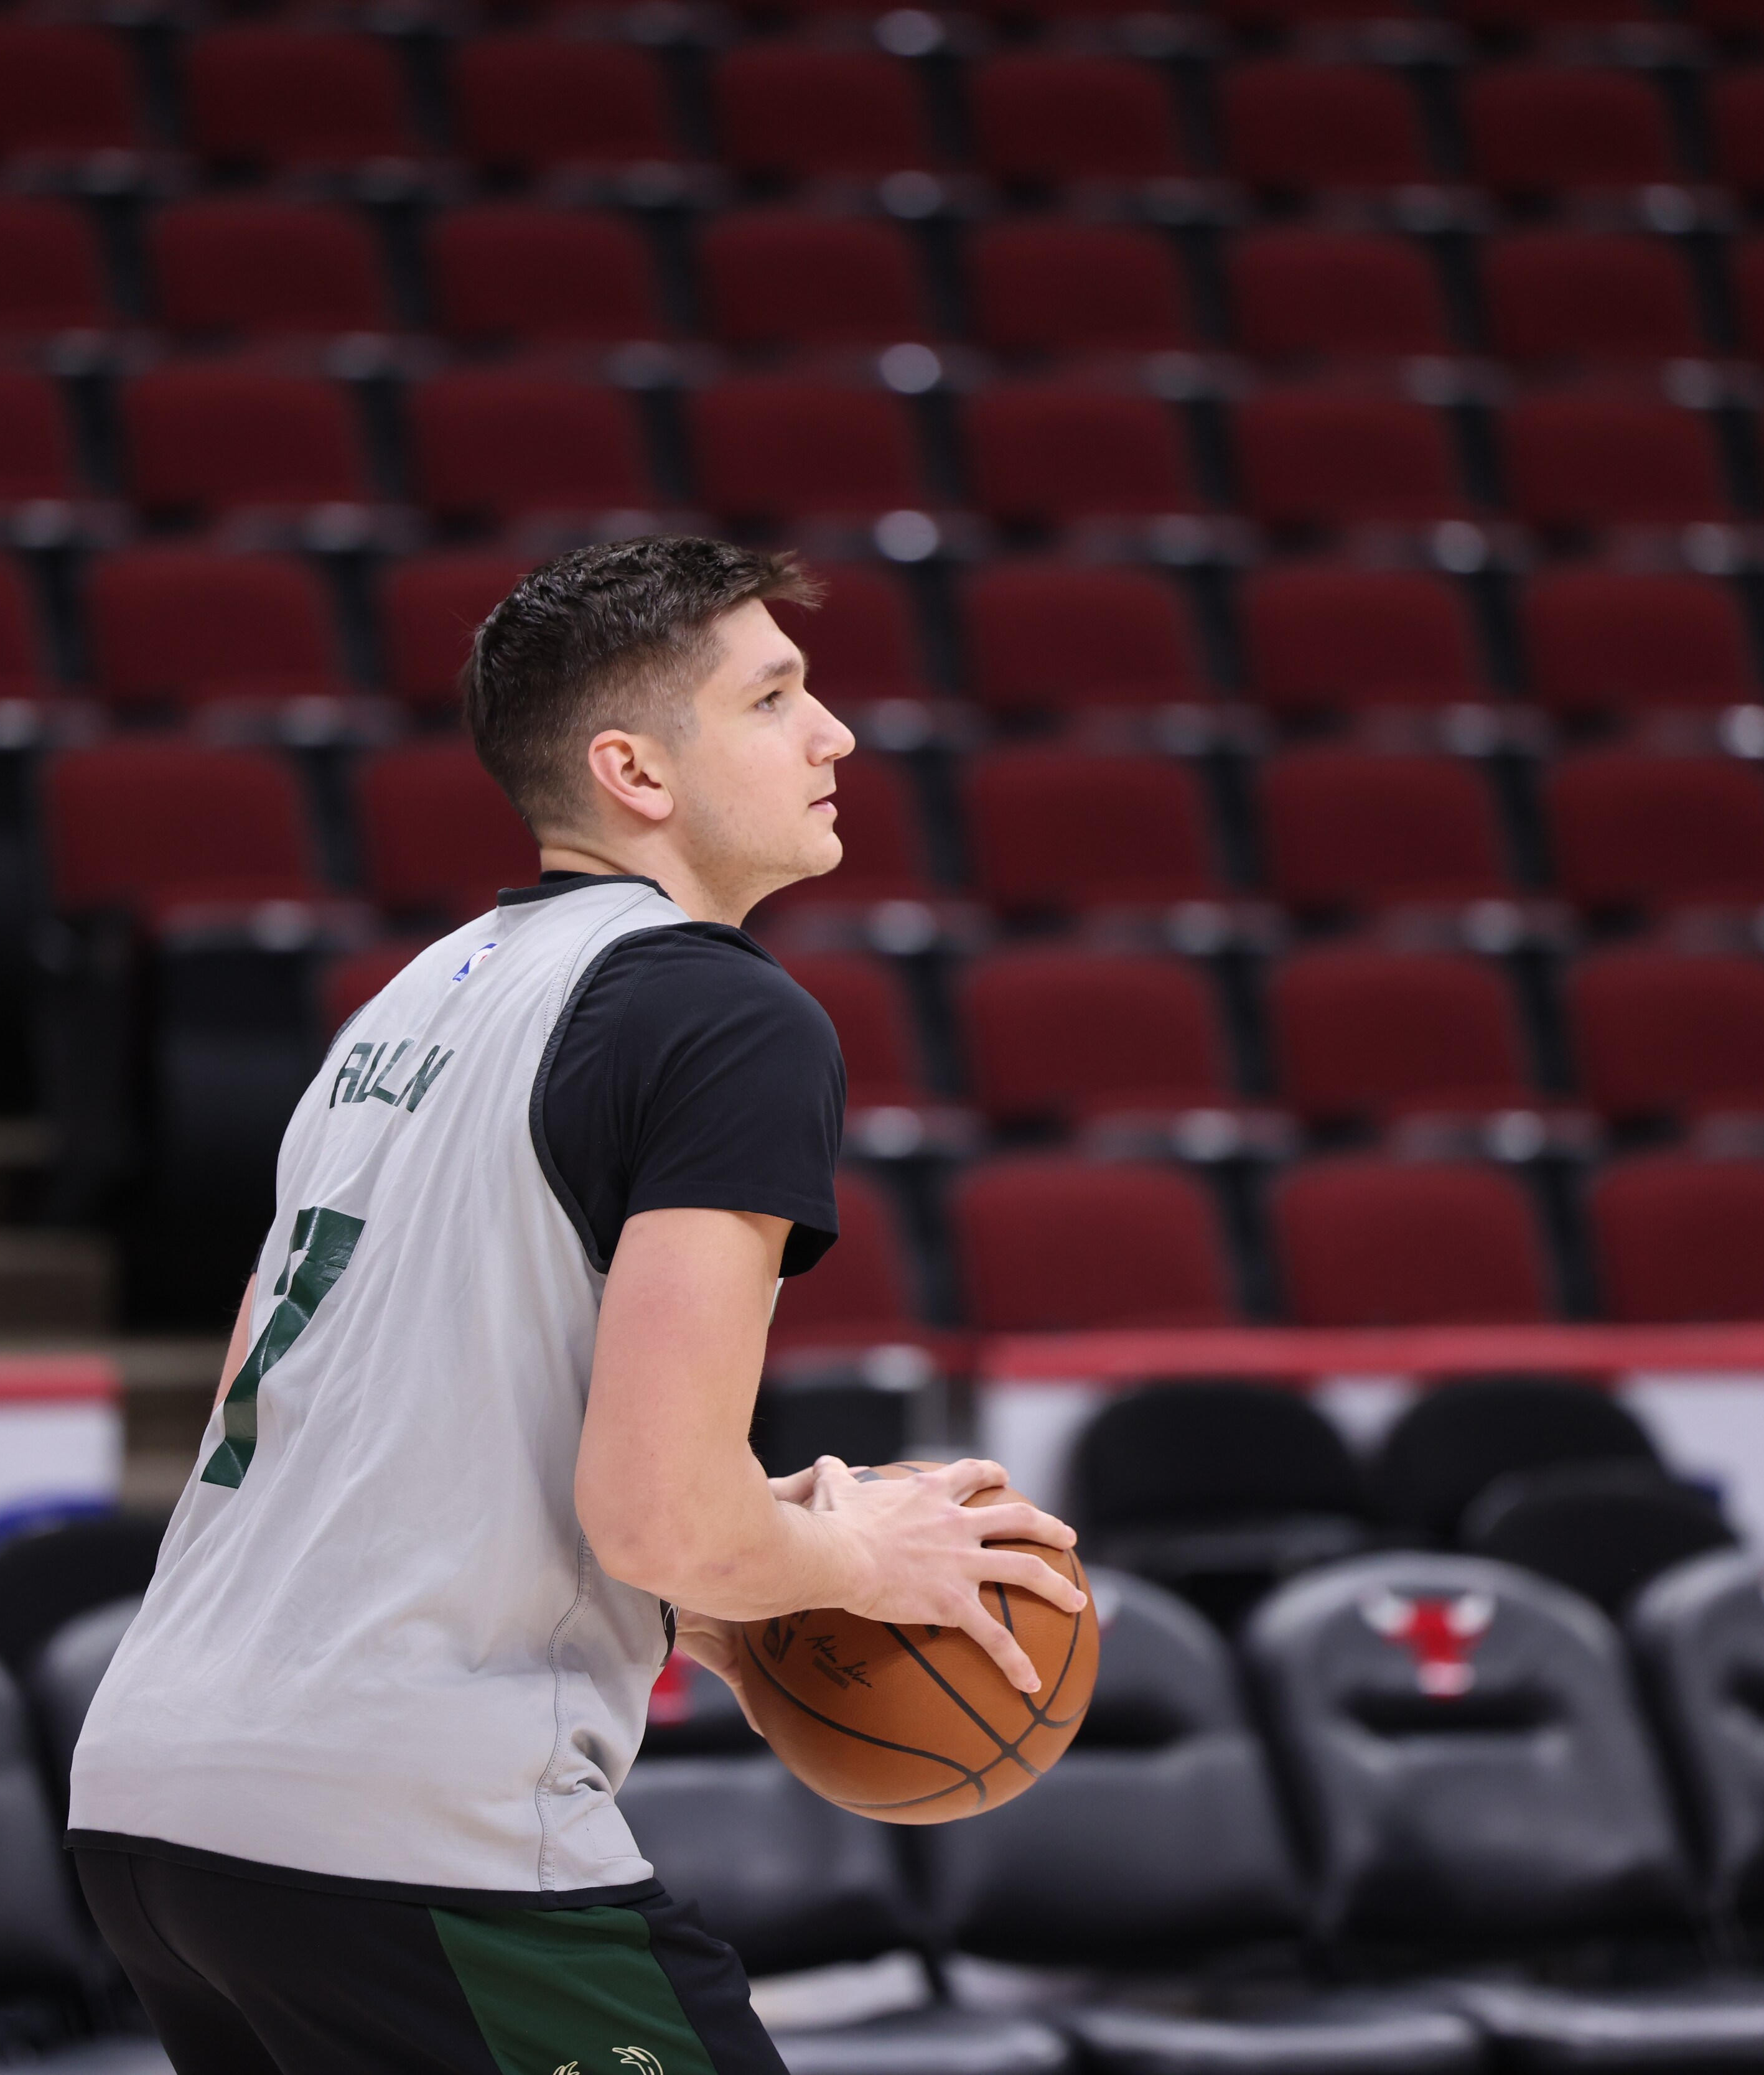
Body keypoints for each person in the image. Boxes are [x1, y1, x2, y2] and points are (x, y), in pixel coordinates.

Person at [67, 536, 1085, 2075]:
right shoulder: (726, 1014)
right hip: (413, 1817)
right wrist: (853, 1552)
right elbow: (660, 1519)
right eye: (774, 698)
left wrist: (743, 1604)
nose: (838, 735)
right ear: (635, 771)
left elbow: (341, 1432)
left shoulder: (407, 1002)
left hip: (163, 1805)